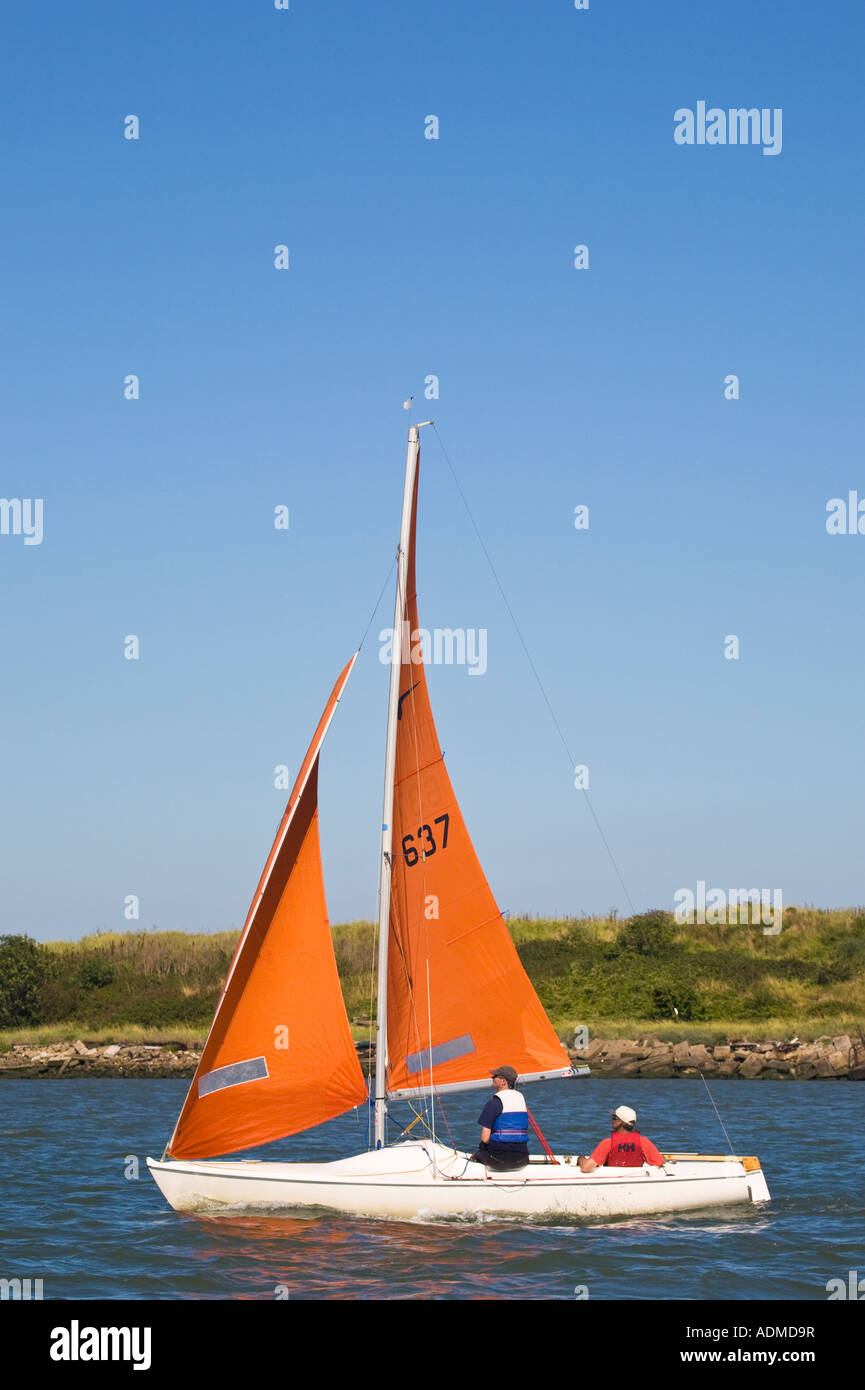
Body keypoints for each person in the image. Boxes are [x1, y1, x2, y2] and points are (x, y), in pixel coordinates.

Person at [470, 1066, 530, 1170]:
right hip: (523, 1159)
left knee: (477, 1154)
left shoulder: (494, 1102)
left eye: (495, 1076)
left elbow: (485, 1138)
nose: (492, 1078)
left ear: (503, 1081)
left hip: (498, 1160)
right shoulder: (521, 1099)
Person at [577, 1105, 663, 1171]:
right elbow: (660, 1162)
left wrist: (581, 1159)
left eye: (614, 1118)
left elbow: (586, 1168)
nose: (612, 1120)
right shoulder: (643, 1142)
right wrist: (662, 1157)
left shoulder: (607, 1143)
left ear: (619, 1122)